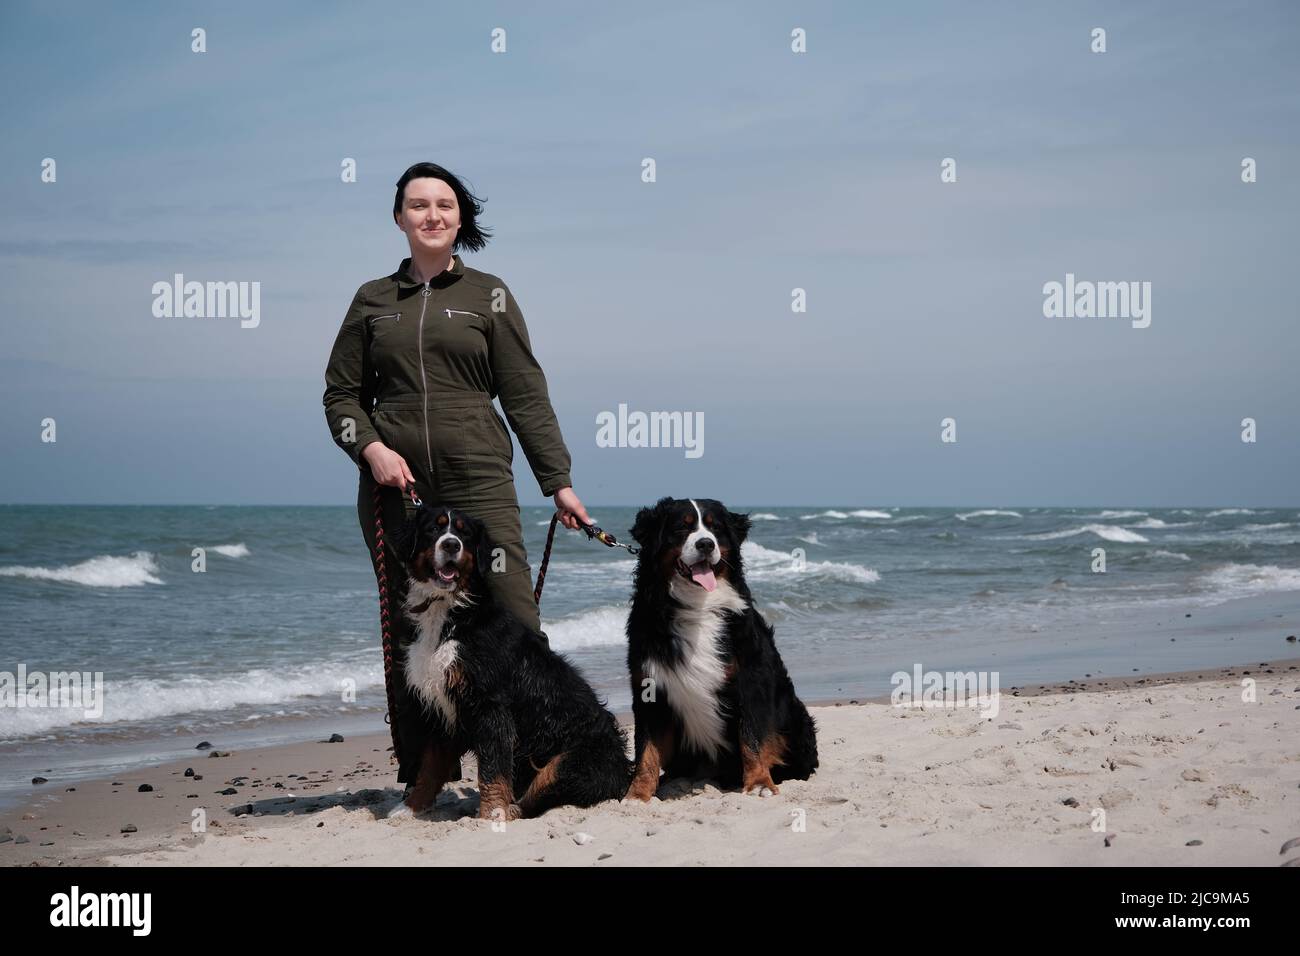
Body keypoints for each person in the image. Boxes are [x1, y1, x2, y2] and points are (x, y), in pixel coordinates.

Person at [322, 162, 593, 786]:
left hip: (480, 484)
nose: (432, 215)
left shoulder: (489, 295)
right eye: (418, 205)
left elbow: (525, 394)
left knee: (514, 620)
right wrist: (371, 451)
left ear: (461, 217)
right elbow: (339, 397)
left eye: (445, 204)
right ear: (398, 218)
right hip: (398, 493)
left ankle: (532, 762)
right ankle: (425, 773)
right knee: (410, 631)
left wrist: (559, 481)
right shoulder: (372, 300)